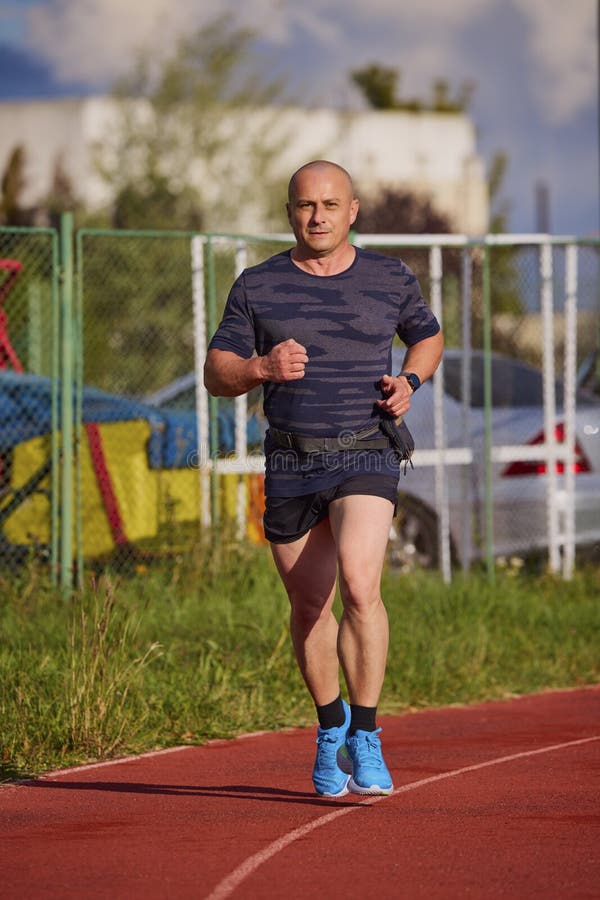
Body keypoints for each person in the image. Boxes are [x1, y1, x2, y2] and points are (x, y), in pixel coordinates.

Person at [204, 160, 443, 797]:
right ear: (290, 213)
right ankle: (331, 726)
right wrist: (260, 365)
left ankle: (367, 735)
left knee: (361, 585)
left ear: (353, 210)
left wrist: (409, 382)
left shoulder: (390, 278)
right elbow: (216, 373)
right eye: (306, 206)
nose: (318, 217)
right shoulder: (258, 286)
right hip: (290, 460)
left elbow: (428, 336)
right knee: (310, 605)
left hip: (367, 449)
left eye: (330, 205)